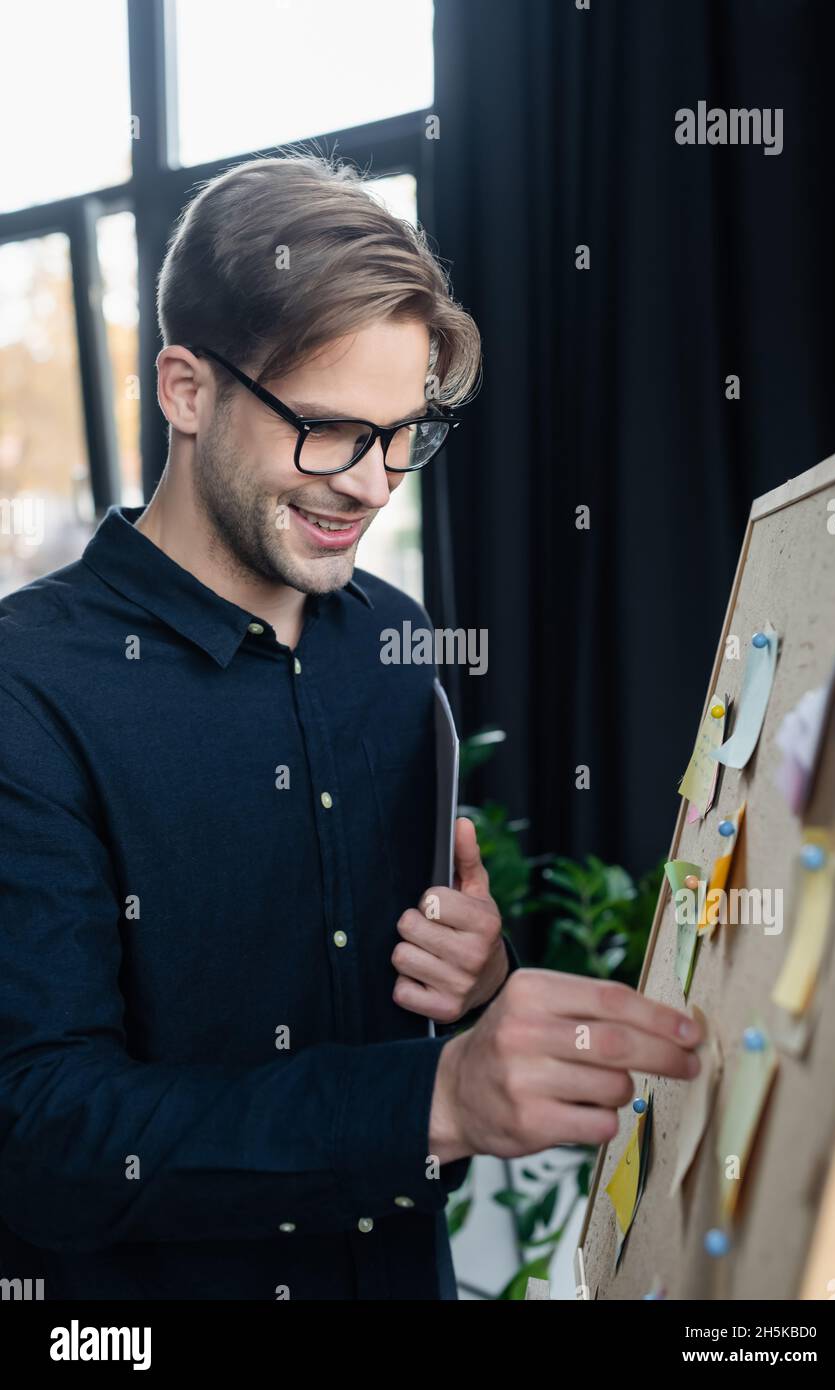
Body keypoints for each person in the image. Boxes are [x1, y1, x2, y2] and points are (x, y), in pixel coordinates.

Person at [0, 151, 703, 1301]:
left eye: (402, 435)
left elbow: (412, 1009)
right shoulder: (26, 686)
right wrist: (438, 1099)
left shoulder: (396, 644)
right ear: (186, 389)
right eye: (329, 430)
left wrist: (476, 978)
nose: (375, 486)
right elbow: (43, 1136)